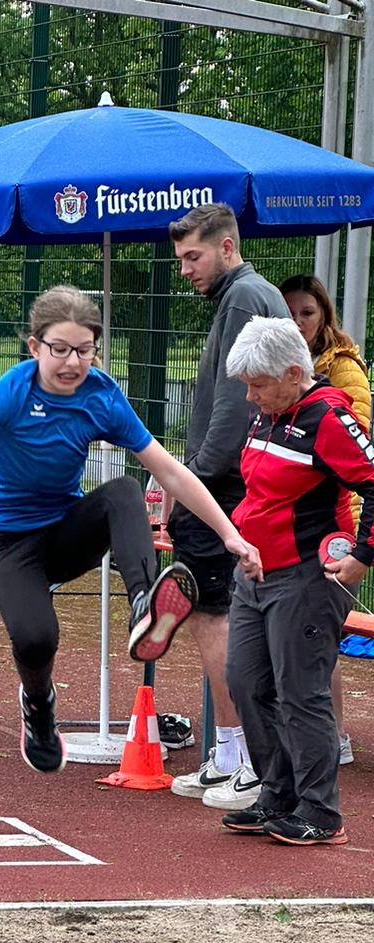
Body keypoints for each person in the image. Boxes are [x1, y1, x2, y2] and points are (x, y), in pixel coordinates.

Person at [0, 285, 261, 774]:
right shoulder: (16, 389)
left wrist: (231, 534)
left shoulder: (101, 396)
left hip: (66, 532)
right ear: (35, 346)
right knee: (37, 639)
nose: (72, 362)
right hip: (13, 545)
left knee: (123, 490)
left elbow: (171, 472)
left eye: (84, 349)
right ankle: (38, 705)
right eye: (60, 349)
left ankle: (144, 604)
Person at [217, 317, 374, 845]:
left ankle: (320, 811)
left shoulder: (329, 417)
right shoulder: (268, 413)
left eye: (257, 384)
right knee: (245, 681)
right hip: (255, 574)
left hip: (307, 576)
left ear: (292, 373)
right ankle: (277, 792)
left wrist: (362, 556)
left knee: (301, 693)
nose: (250, 395)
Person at [167, 203, 291, 809]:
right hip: (237, 478)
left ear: (227, 247)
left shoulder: (243, 297)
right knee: (227, 611)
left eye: (193, 256)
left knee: (213, 611)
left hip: (223, 483)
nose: (185, 270)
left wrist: (189, 480)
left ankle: (239, 756)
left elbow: (232, 405)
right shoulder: (246, 295)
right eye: (181, 258)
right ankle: (237, 755)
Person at [279, 272, 371, 766]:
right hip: (293, 518)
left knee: (317, 634)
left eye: (308, 313)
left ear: (324, 316)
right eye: (290, 312)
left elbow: (355, 439)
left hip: (336, 520)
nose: (299, 322)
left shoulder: (342, 370)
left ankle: (333, 738)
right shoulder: (275, 365)